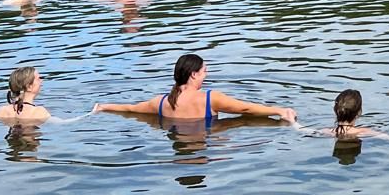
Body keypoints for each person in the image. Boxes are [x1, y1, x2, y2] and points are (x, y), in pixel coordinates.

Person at [92, 53, 296, 124]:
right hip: (206, 133)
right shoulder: (210, 98)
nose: (207, 75)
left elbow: (130, 109)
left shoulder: (160, 102)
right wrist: (279, 110)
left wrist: (103, 106)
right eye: (205, 71)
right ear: (194, 74)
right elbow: (245, 109)